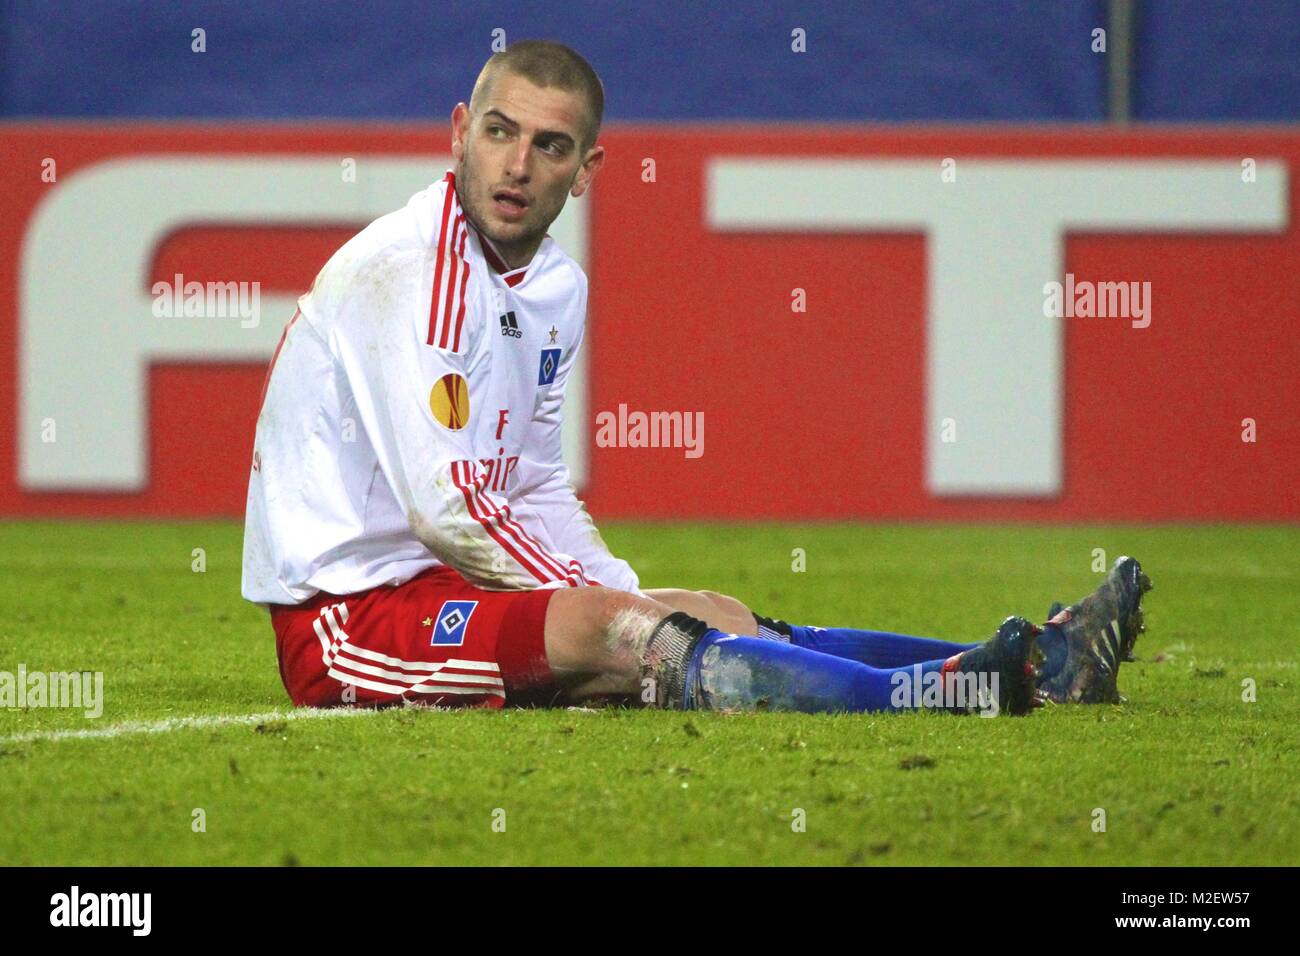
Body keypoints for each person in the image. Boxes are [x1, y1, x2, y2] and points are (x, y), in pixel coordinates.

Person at [241, 40, 1151, 718]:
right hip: (348, 619)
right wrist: (615, 606)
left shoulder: (555, 287)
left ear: (586, 171)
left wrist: (624, 591)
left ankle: (1044, 665)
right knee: (623, 630)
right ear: (458, 133)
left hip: (451, 582)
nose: (517, 166)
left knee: (713, 612)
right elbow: (450, 510)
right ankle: (929, 694)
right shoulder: (409, 275)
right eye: (499, 132)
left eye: (551, 146)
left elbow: (534, 480)